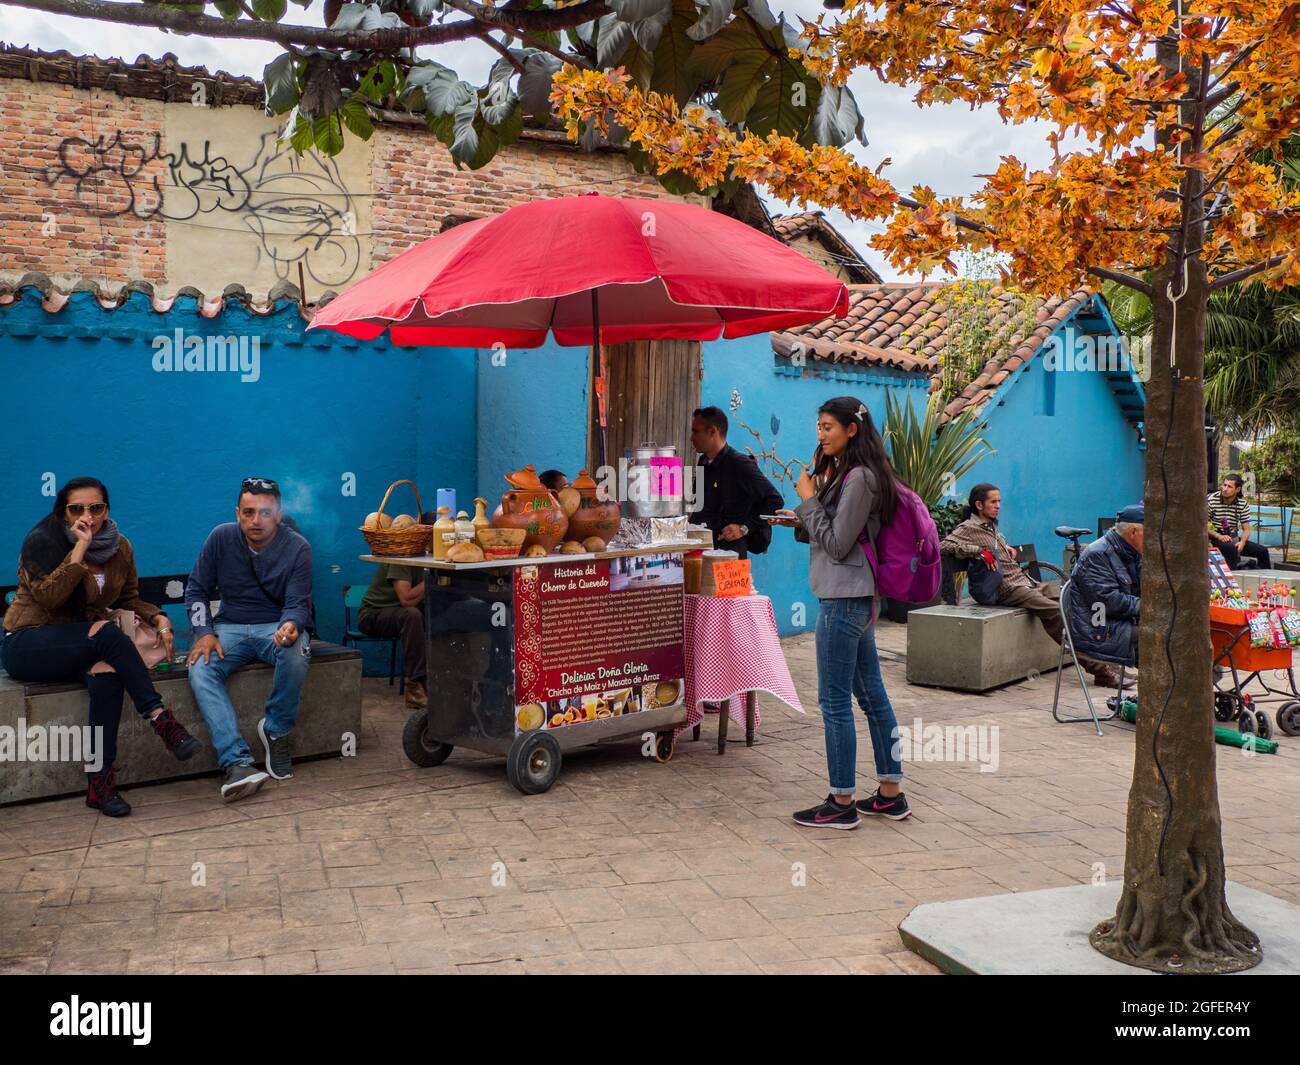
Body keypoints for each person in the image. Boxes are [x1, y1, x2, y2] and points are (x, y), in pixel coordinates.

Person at [1, 477, 201, 816]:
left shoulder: (120, 547)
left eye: (96, 507)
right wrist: (79, 548)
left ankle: (100, 784)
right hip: (28, 643)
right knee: (106, 633)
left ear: (106, 509)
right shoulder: (42, 543)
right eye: (76, 508)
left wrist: (161, 620)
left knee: (107, 677)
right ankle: (160, 718)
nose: (87, 515)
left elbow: (129, 598)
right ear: (62, 512)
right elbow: (51, 597)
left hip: (81, 643)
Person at [770, 396, 909, 829]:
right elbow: (832, 533)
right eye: (818, 425)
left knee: (834, 702)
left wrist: (809, 501)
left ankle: (841, 801)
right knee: (871, 697)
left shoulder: (861, 479)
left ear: (852, 429)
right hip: (854, 596)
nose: (820, 433)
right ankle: (890, 794)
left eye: (828, 426)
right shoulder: (850, 475)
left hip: (844, 599)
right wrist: (799, 519)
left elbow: (837, 543)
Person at [186, 477, 313, 802]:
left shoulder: (298, 547)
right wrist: (204, 633)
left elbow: (298, 603)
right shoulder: (220, 537)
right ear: (238, 513)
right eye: (248, 512)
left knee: (298, 650)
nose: (256, 521)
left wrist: (291, 625)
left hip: (274, 626)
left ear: (279, 514)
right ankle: (236, 762)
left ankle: (276, 729)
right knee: (200, 668)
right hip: (229, 628)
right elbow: (196, 589)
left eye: (265, 512)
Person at [940, 483, 1125, 687]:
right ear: (979, 504)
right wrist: (977, 551)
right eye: (993, 502)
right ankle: (1101, 671)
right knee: (1056, 612)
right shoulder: (968, 528)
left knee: (1074, 602)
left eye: (999, 501)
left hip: (1026, 582)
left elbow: (992, 545)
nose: (998, 505)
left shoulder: (990, 526)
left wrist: (1005, 548)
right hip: (1007, 589)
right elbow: (944, 545)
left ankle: (1106, 660)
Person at [358, 511, 432, 709]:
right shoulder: (401, 554)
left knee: (445, 613)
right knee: (412, 615)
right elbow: (407, 599)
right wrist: (434, 578)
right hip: (373, 614)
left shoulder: (431, 557)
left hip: (397, 612)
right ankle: (415, 687)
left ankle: (443, 681)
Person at [689, 406, 783, 558]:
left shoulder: (740, 464)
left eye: (696, 431)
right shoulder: (703, 461)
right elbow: (697, 506)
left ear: (712, 431)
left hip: (730, 558)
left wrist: (744, 528)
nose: (691, 438)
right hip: (703, 551)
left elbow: (775, 500)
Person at [1067, 505, 1143, 668]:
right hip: (1097, 630)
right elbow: (1109, 602)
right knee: (1161, 640)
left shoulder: (1132, 552)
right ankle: (1161, 693)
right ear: (1133, 532)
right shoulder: (1098, 554)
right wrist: (1151, 608)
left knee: (1173, 629)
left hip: (1119, 622)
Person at [1208, 474, 1271, 570]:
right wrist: (1219, 536)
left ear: (1237, 489)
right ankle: (1232, 580)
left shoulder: (1242, 503)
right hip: (1214, 537)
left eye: (1229, 486)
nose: (1225, 489)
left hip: (1232, 537)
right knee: (1231, 548)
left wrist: (1242, 542)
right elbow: (1203, 526)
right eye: (1224, 485)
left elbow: (1246, 529)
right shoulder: (1211, 500)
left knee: (1263, 551)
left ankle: (1266, 581)